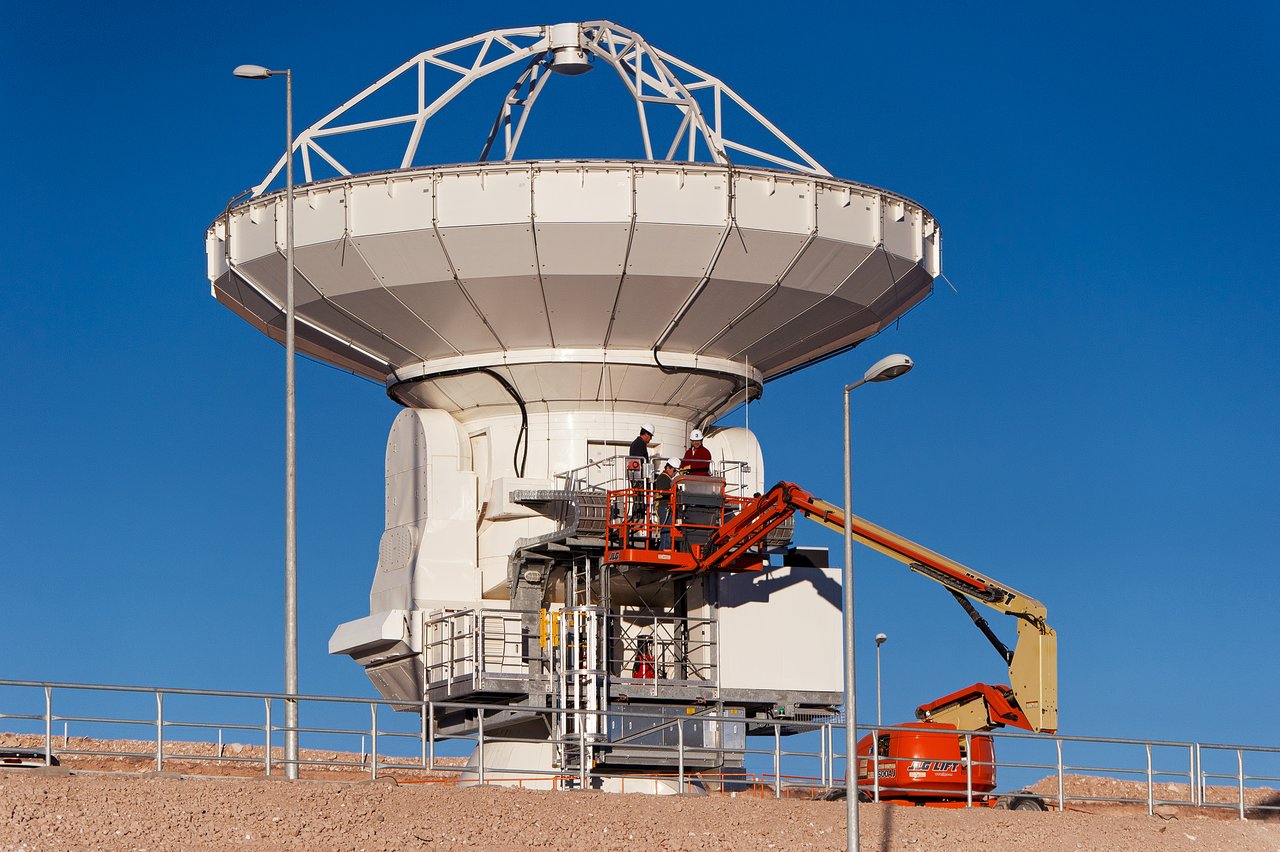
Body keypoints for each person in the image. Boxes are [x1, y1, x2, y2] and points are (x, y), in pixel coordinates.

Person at [627, 424, 655, 521]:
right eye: (650, 436)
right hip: (639, 477)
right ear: (646, 434)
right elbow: (642, 461)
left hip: (636, 476)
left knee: (638, 498)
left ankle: (639, 517)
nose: (650, 439)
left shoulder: (636, 443)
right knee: (639, 498)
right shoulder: (640, 444)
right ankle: (639, 517)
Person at [653, 461, 677, 549]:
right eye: (674, 471)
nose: (675, 473)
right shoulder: (663, 478)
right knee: (666, 529)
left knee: (667, 529)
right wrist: (674, 491)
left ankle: (665, 548)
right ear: (668, 468)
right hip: (664, 506)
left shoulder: (667, 478)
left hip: (667, 506)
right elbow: (664, 491)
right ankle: (664, 549)